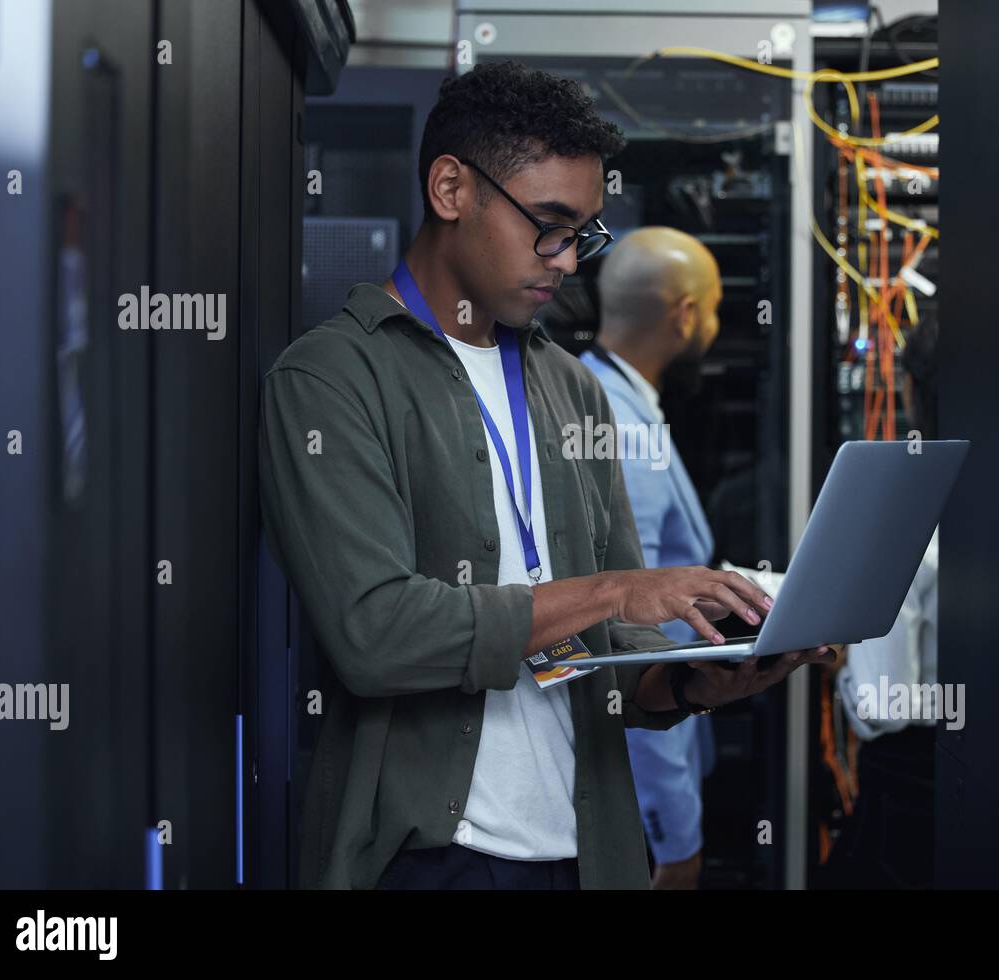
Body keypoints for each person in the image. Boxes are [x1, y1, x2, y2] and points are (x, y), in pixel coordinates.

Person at [257, 60, 840, 891]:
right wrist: (613, 593)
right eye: (550, 225)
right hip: (430, 864)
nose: (568, 261)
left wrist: (695, 679)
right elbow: (374, 636)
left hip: (586, 855)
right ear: (452, 189)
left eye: (585, 233)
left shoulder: (570, 388)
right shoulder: (331, 380)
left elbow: (593, 663)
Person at [579, 227, 723, 889]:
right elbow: (634, 644)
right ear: (685, 315)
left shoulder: (606, 403)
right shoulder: (623, 433)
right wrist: (675, 835)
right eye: (716, 310)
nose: (717, 327)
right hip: (638, 794)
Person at [823, 315, 940, 889]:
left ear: (914, 391)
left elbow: (882, 705)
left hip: (917, 800)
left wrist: (842, 655)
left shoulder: (898, 516)